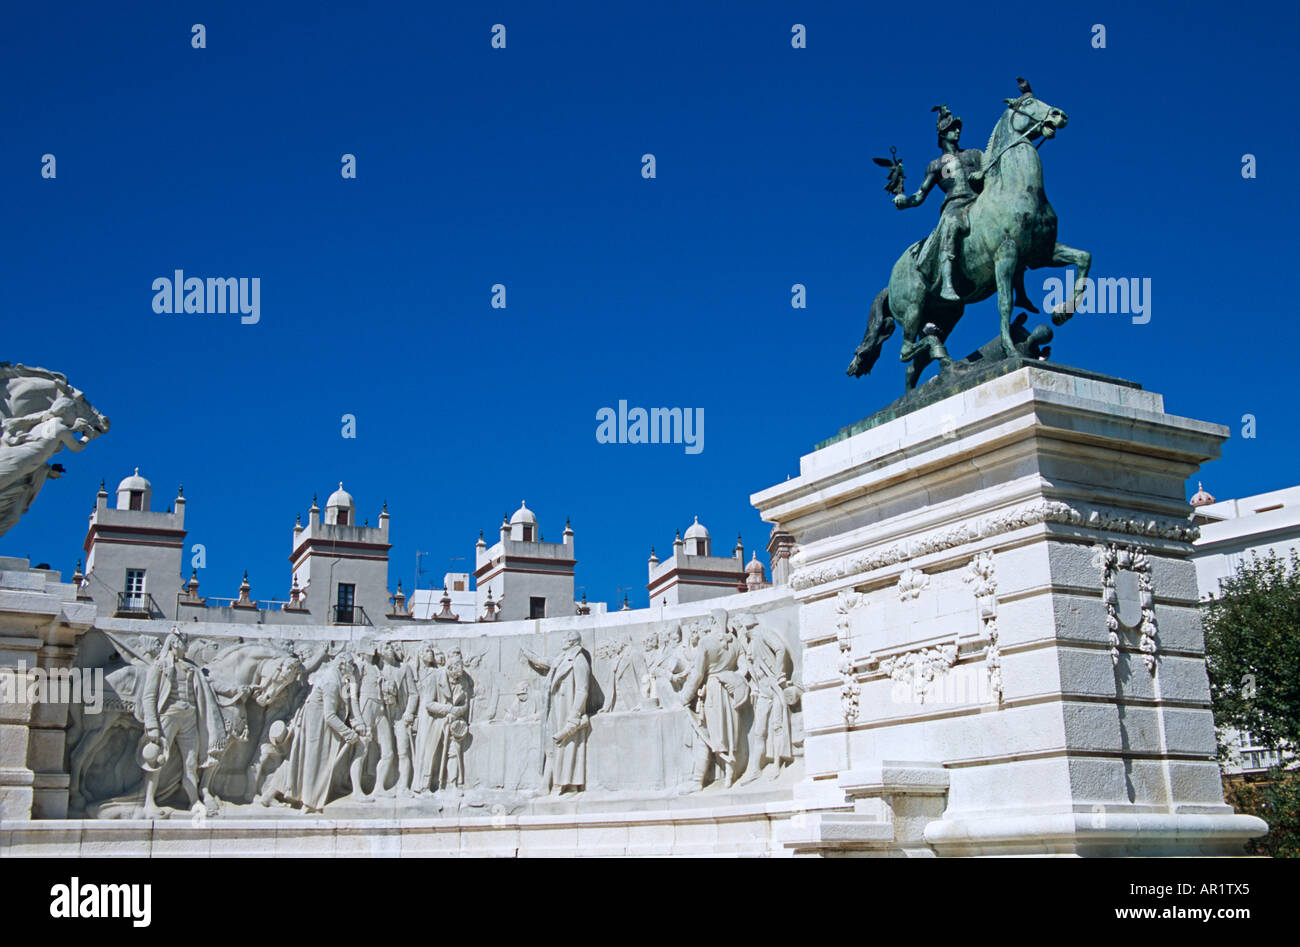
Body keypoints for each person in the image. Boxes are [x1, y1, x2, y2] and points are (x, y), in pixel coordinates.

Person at [893, 104, 984, 302]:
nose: (957, 131)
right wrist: (905, 202)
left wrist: (982, 175)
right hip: (954, 204)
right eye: (952, 128)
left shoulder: (975, 154)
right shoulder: (936, 165)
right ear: (942, 134)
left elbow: (992, 174)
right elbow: (920, 195)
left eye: (958, 128)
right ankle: (947, 284)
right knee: (950, 224)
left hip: (978, 200)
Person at [140, 628, 229, 818]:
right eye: (182, 641)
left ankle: (194, 801)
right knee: (157, 761)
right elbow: (148, 697)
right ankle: (148, 802)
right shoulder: (160, 665)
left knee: (191, 762)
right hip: (168, 716)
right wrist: (152, 726)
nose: (185, 644)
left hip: (189, 717)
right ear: (173, 642)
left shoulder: (192, 668)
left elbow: (209, 687)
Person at [263, 653, 360, 813]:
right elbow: (330, 716)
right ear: (342, 664)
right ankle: (309, 802)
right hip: (317, 725)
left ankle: (269, 794)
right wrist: (347, 733)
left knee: (297, 759)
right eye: (351, 664)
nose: (353, 668)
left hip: (314, 722)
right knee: (313, 762)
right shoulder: (332, 682)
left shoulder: (337, 677)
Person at [678, 610, 749, 791]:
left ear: (712, 621)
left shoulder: (706, 642)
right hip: (728, 691)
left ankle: (697, 781)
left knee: (705, 733)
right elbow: (744, 666)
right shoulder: (735, 643)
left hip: (712, 690)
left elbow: (698, 674)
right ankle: (729, 774)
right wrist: (732, 677)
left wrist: (685, 695)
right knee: (728, 731)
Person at [523, 631, 592, 794]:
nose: (562, 641)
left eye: (565, 639)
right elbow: (546, 662)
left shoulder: (579, 661)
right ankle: (547, 784)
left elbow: (583, 690)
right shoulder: (562, 658)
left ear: (572, 642)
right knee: (551, 747)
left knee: (566, 747)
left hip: (567, 711)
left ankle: (565, 785)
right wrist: (528, 654)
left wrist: (574, 716)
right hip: (556, 708)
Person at [735, 613, 796, 784]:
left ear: (746, 627)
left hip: (773, 685)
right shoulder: (751, 642)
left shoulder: (762, 632)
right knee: (759, 731)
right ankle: (755, 769)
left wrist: (780, 674)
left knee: (777, 726)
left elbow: (780, 648)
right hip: (762, 690)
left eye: (740, 627)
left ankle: (777, 764)